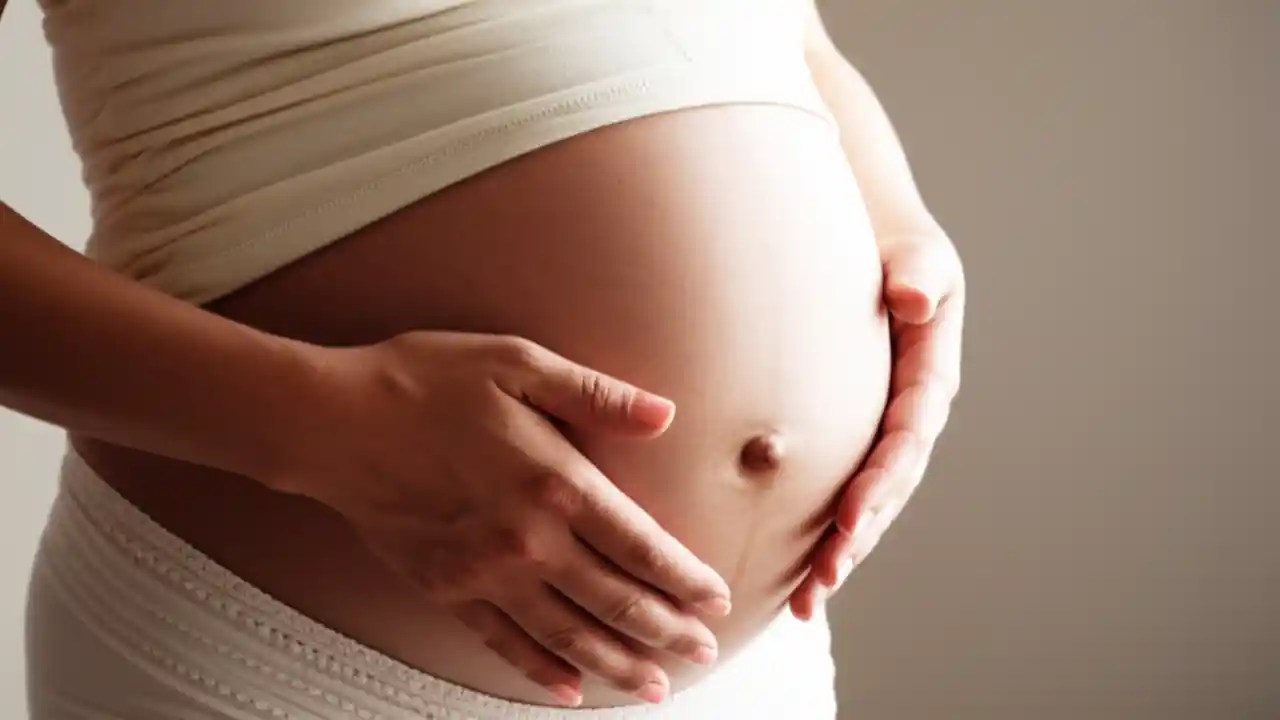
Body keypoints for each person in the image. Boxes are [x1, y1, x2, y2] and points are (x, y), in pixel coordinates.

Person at [1, 0, 964, 717]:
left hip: (757, 674)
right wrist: (327, 431)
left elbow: (783, 33)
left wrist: (902, 229)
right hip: (285, 666)